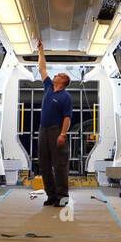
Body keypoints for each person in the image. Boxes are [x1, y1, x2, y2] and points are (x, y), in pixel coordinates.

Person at [36, 38, 73, 208]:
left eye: (58, 75)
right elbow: (42, 67)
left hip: (56, 131)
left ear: (63, 81)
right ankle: (51, 196)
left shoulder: (66, 97)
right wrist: (41, 51)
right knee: (44, 165)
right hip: (43, 131)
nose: (55, 75)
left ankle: (63, 198)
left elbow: (67, 117)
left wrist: (62, 134)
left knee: (59, 166)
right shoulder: (49, 88)